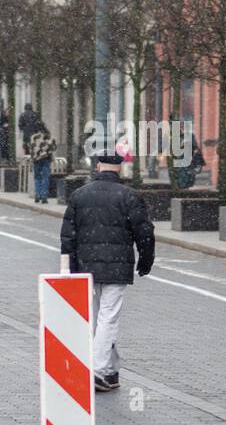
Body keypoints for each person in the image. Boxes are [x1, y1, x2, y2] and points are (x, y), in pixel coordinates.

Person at [61, 150, 156, 392]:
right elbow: (144, 233)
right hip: (117, 265)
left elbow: (67, 236)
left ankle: (111, 370)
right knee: (108, 318)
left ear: (98, 166)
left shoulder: (79, 195)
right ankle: (98, 370)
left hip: (85, 266)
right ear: (120, 168)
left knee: (95, 319)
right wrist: (145, 260)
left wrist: (69, 268)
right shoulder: (129, 196)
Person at [29, 122, 57, 203]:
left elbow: (31, 148)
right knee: (45, 178)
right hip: (46, 159)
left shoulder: (34, 137)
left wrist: (35, 155)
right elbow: (53, 147)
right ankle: (44, 196)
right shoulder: (48, 136)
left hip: (36, 160)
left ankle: (37, 195)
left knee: (37, 178)